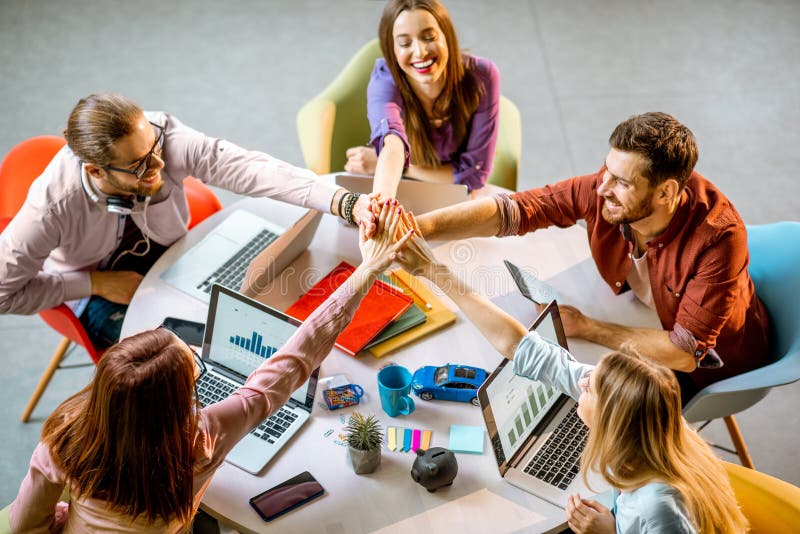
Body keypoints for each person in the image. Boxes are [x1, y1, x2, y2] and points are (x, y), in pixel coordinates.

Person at [8, 201, 412, 532]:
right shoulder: (200, 442)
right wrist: (367, 271)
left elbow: (26, 527)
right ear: (173, 408)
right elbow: (291, 364)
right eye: (195, 373)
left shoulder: (65, 439)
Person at [393, 214, 748, 533]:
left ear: (614, 423)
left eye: (591, 389)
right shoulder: (652, 422)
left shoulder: (659, 507)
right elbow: (518, 346)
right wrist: (432, 271)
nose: (581, 382)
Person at [414, 112, 770, 402]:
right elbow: (515, 210)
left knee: (583, 402)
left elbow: (683, 354)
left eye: (622, 183)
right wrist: (416, 228)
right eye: (606, 171)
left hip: (712, 368)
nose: (602, 189)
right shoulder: (607, 187)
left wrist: (589, 327)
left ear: (666, 193)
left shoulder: (719, 239)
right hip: (645, 317)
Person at [0, 93, 377, 349]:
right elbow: (3, 293)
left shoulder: (158, 137)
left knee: (258, 311)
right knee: (181, 363)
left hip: (171, 250)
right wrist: (93, 282)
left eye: (155, 148)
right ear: (97, 172)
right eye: (140, 166)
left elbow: (248, 168)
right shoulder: (51, 207)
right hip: (98, 286)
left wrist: (343, 202)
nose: (160, 166)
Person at [344, 0, 500, 196]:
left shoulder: (482, 76)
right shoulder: (384, 81)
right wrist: (381, 204)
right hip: (405, 190)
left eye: (429, 37)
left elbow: (474, 176)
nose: (420, 52)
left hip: (457, 196)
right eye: (404, 43)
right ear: (392, 49)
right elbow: (392, 143)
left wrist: (401, 168)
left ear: (447, 36)